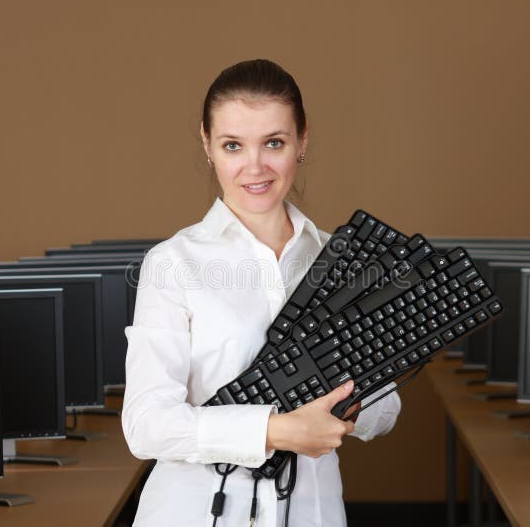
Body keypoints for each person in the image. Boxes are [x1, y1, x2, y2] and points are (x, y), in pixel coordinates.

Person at [122, 59, 401, 527]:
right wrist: (276, 431)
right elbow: (146, 424)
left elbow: (387, 406)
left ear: (302, 142)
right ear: (208, 145)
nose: (255, 167)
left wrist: (346, 406)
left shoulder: (343, 261)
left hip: (313, 513)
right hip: (194, 512)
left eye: (274, 142)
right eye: (233, 145)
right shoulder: (173, 263)